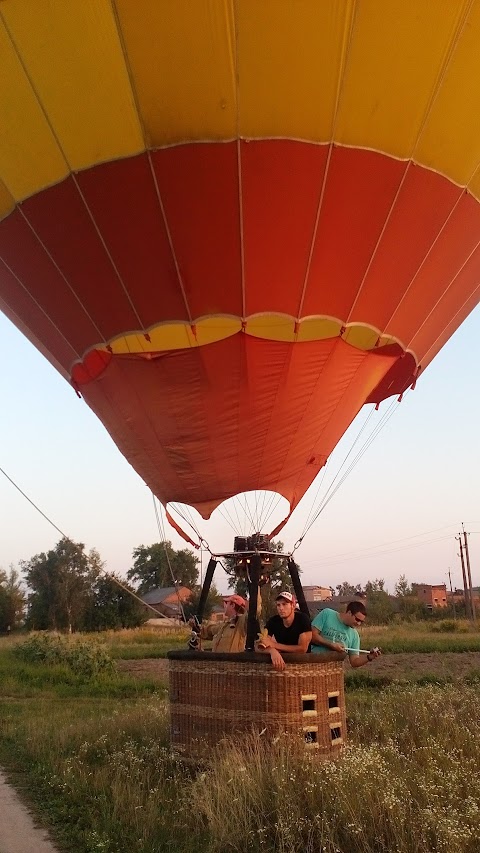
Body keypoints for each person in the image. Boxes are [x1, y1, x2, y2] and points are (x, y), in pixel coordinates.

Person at [311, 601, 381, 668]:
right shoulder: (327, 614)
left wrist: (369, 657)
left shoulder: (354, 635)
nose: (358, 623)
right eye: (357, 619)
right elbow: (312, 636)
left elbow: (354, 662)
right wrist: (331, 645)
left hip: (334, 671)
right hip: (313, 665)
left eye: (361, 622)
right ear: (349, 612)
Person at [257, 591, 312, 671]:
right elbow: (258, 646)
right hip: (281, 663)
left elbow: (302, 649)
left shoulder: (303, 620)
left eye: (284, 604)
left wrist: (274, 645)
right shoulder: (273, 621)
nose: (281, 608)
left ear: (293, 606)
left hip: (303, 665)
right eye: (278, 605)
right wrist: (271, 651)